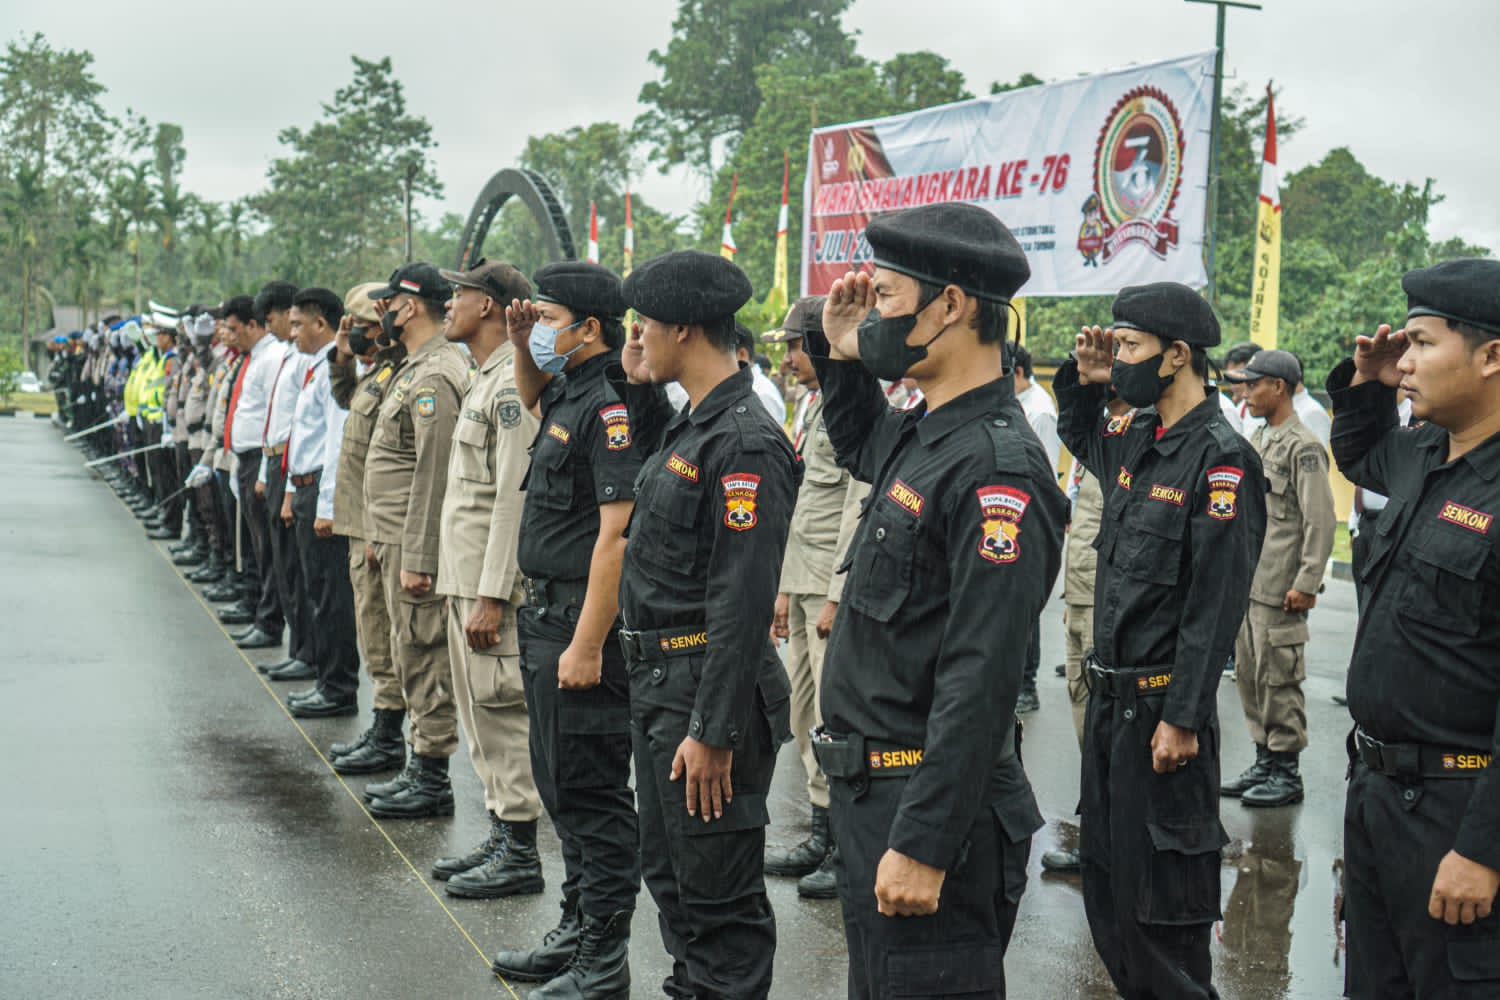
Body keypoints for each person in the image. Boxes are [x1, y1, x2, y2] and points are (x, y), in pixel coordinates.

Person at [807, 203, 1065, 1000]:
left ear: (948, 305)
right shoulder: (930, 434)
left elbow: (981, 677)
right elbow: (858, 443)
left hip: (925, 806)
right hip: (874, 796)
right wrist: (844, 353)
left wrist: (925, 840)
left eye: (886, 296)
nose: (874, 311)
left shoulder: (998, 469)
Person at [1056, 282, 1266, 1000]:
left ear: (1178, 356)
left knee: (1161, 923)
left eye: (1133, 349)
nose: (1121, 361)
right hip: (1111, 714)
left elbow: (1214, 606)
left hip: (1158, 720)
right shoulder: (1137, 440)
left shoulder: (1222, 460)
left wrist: (1181, 715)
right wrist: (1084, 380)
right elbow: (1081, 433)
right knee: (1108, 903)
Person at [614, 249, 797, 1000]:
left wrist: (715, 731)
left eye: (645, 326)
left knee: (718, 900)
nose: (638, 338)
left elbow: (743, 603)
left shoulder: (745, 441)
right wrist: (632, 384)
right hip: (666, 687)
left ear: (685, 329)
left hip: (705, 696)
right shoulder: (697, 423)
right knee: (675, 882)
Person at [1328, 258, 1500, 997]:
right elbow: (1361, 453)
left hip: (1455, 811)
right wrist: (1369, 381)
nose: (1406, 363)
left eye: (1424, 344)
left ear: (1492, 355)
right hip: (1376, 795)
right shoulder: (1424, 451)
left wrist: (1484, 849)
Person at [491, 260, 645, 996]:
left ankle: (604, 960)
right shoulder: (572, 389)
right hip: (546, 615)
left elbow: (615, 535)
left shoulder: (612, 404)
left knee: (594, 795)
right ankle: (576, 927)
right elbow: (532, 399)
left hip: (581, 623)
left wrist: (588, 643)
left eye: (549, 318)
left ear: (590, 328)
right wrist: (525, 345)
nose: (539, 327)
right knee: (560, 786)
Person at [429, 259, 548, 900]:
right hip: (464, 578)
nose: (450, 303)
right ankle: (503, 830)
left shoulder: (510, 386)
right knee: (478, 718)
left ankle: (521, 850)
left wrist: (493, 593)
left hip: (487, 588)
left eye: (461, 293)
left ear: (492, 306)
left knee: (502, 716)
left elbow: (512, 498)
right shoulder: (483, 379)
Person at [761, 296, 868, 901]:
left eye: (797, 345)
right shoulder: (812, 405)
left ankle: (846, 845)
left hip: (829, 582)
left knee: (834, 716)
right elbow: (804, 502)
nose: (789, 357)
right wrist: (783, 587)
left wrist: (835, 594)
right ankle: (822, 829)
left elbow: (857, 502)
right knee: (803, 714)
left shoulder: (853, 408)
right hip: (799, 577)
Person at [360, 263, 470, 819]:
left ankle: (431, 773)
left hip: (413, 538)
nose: (384, 313)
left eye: (391, 304)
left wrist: (420, 554)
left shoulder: (435, 375)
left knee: (424, 653)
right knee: (406, 649)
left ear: (414, 306)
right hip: (394, 535)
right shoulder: (412, 367)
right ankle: (417, 764)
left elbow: (434, 473)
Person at [1220, 350, 1336, 808]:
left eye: (1254, 384)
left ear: (1279, 387)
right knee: (1250, 675)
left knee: (1279, 678)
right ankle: (1264, 758)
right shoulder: (1260, 436)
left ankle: (1286, 770)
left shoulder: (1302, 446)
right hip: (1253, 580)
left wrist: (1307, 582)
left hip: (1282, 586)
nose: (1245, 393)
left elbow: (1320, 521)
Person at [325, 284, 409, 774]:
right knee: (372, 631)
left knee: (387, 633)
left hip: (378, 526)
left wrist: (379, 529)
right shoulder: (378, 373)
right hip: (361, 524)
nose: (355, 332)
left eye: (363, 326)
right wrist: (342, 353)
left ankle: (390, 735)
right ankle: (382, 725)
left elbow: (399, 463)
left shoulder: (404, 373)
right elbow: (346, 398)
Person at [276, 287, 361, 718]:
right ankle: (325, 678)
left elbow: (336, 441)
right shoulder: (314, 367)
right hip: (306, 487)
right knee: (316, 591)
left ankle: (338, 687)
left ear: (321, 325)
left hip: (323, 491)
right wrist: (294, 491)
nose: (291, 333)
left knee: (331, 596)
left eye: (297, 324)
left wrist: (328, 506)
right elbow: (301, 435)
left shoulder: (338, 369)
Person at [254, 281, 317, 673]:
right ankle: (298, 650)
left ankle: (307, 653)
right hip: (278, 464)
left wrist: (291, 488)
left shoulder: (308, 362)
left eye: (293, 323)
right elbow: (273, 422)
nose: (287, 331)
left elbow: (303, 429)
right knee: (284, 566)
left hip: (294, 470)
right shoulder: (290, 357)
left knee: (298, 571)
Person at [220, 294, 288, 645]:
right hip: (245, 458)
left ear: (254, 324)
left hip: (261, 458)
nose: (230, 335)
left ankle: (269, 620)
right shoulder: (253, 358)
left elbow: (272, 418)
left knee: (266, 547)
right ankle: (261, 610)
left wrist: (262, 470)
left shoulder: (272, 356)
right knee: (255, 543)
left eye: (235, 328)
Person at [1012, 342, 1063, 714]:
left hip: (1030, 514)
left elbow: (1041, 474)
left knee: (1025, 605)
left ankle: (1027, 685)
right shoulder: (1018, 404)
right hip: (1007, 514)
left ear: (1015, 372)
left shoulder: (1040, 410)